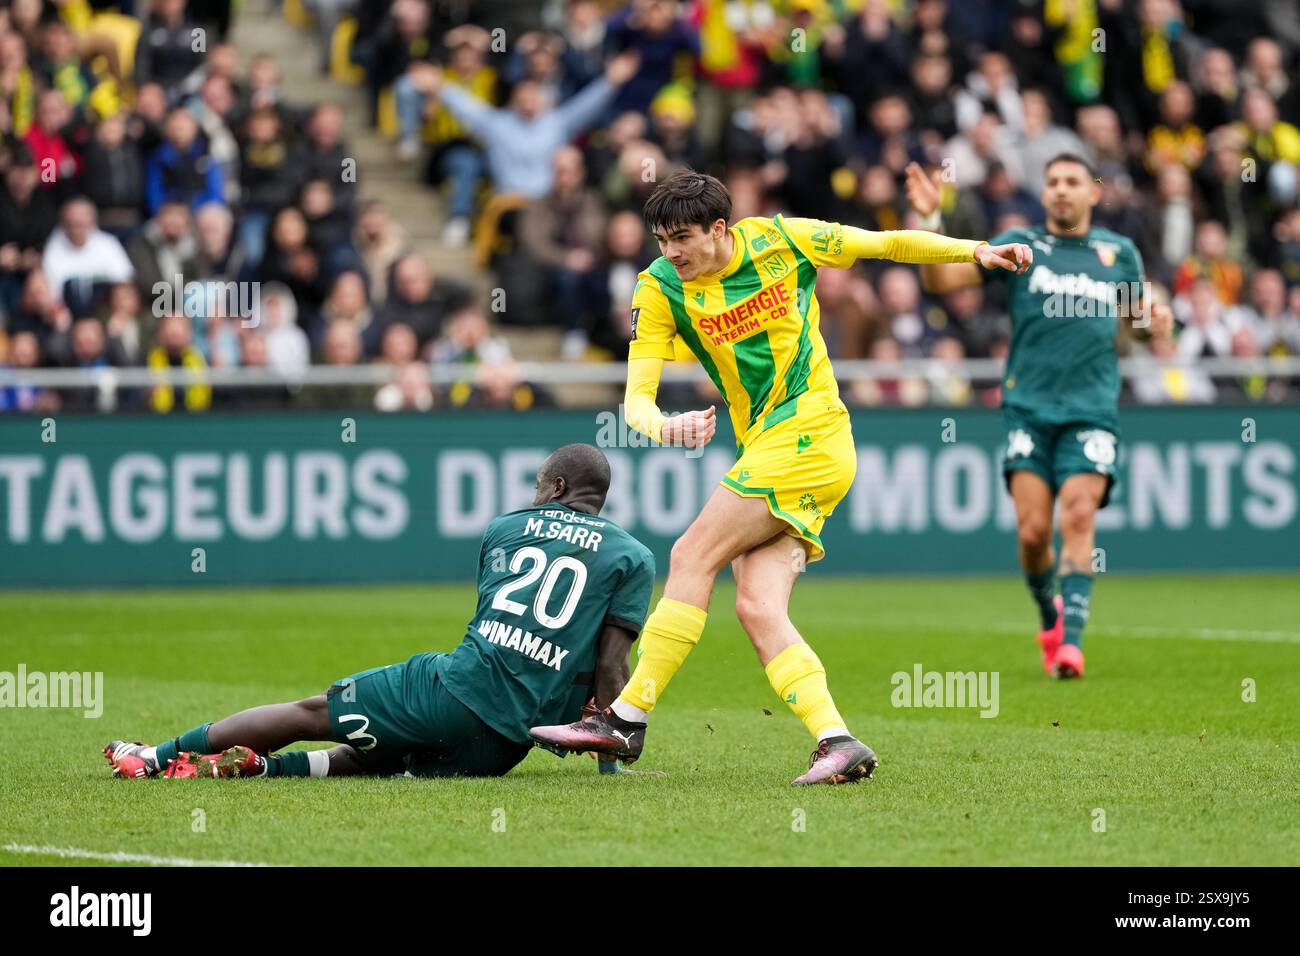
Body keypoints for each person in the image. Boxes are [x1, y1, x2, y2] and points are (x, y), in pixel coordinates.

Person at [529, 170, 1030, 785]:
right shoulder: (658, 288)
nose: (671, 252)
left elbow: (886, 243)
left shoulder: (784, 242)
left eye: (682, 238)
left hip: (812, 431)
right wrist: (664, 427)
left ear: (721, 228)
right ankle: (837, 740)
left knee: (691, 554)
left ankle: (625, 719)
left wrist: (973, 250)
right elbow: (638, 399)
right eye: (662, 239)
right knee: (759, 607)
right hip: (771, 446)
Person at [104, 445, 655, 780]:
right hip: (506, 745)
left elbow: (496, 622)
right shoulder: (633, 556)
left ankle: (151, 756)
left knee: (313, 711)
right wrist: (606, 759)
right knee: (388, 754)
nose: (534, 494)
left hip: (458, 690)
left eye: (539, 485)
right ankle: (266, 769)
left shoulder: (505, 528)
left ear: (556, 486)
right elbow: (610, 668)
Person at [903, 154, 1173, 680]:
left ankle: (1071, 644)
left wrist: (1155, 323)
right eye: (1052, 182)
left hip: (1092, 410)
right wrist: (932, 221)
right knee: (1032, 533)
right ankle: (1047, 611)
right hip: (1028, 408)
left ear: (1094, 192)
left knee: (1077, 516)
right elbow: (941, 285)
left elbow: (1137, 326)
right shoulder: (1022, 245)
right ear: (1043, 192)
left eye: (1073, 182)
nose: (1061, 191)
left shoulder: (1118, 253)